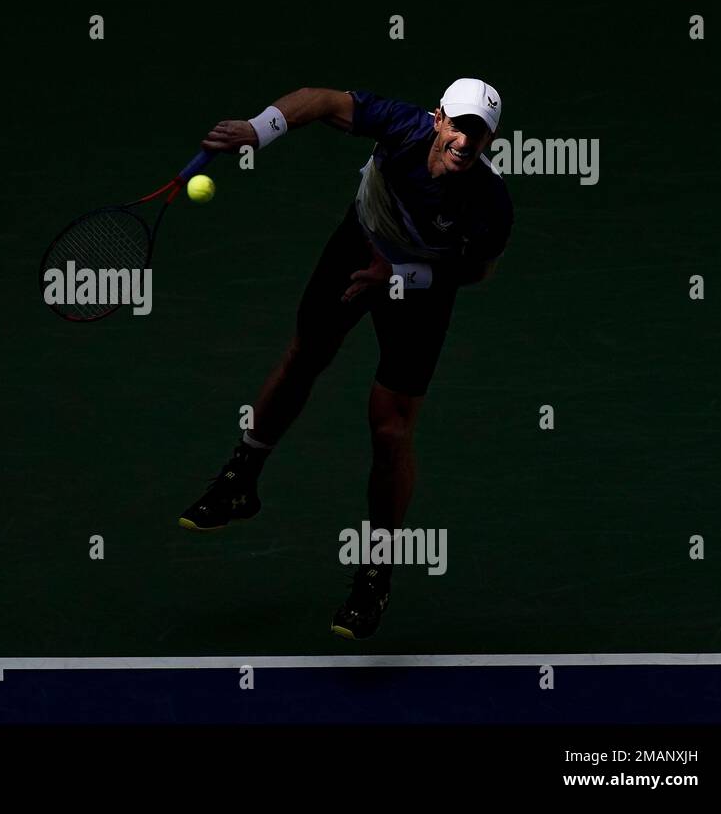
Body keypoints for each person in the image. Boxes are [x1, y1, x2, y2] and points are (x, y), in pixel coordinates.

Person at [177, 79, 513, 640]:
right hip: (362, 241)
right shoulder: (403, 128)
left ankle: (376, 572)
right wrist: (258, 131)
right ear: (437, 120)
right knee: (307, 353)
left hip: (421, 286)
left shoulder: (489, 202)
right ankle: (241, 477)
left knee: (390, 428)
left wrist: (401, 276)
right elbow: (325, 101)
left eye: (478, 133)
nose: (464, 139)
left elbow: (478, 271)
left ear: (489, 142)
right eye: (458, 124)